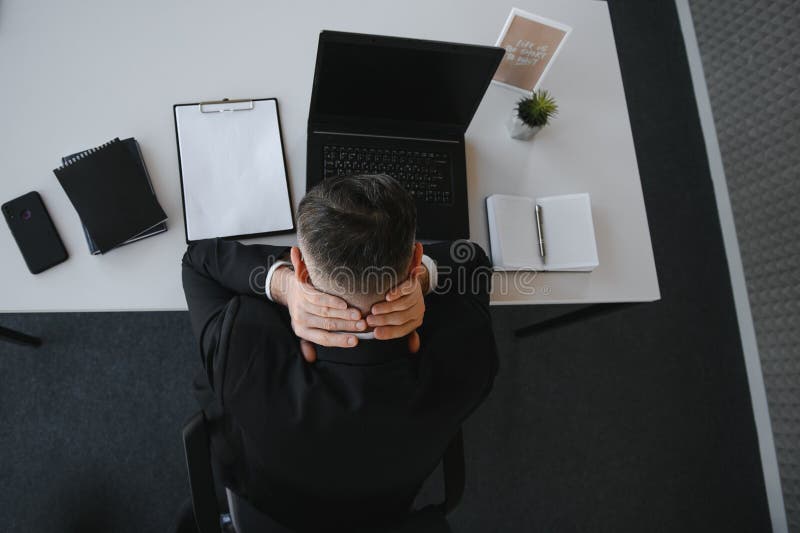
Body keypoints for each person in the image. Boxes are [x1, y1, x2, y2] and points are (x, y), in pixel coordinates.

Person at [181, 174, 498, 532]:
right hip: (385, 505)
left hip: (271, 500)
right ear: (415, 260)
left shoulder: (243, 348)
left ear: (299, 265)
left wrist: (282, 285)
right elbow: (472, 259)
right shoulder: (468, 354)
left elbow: (199, 262)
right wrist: (423, 281)